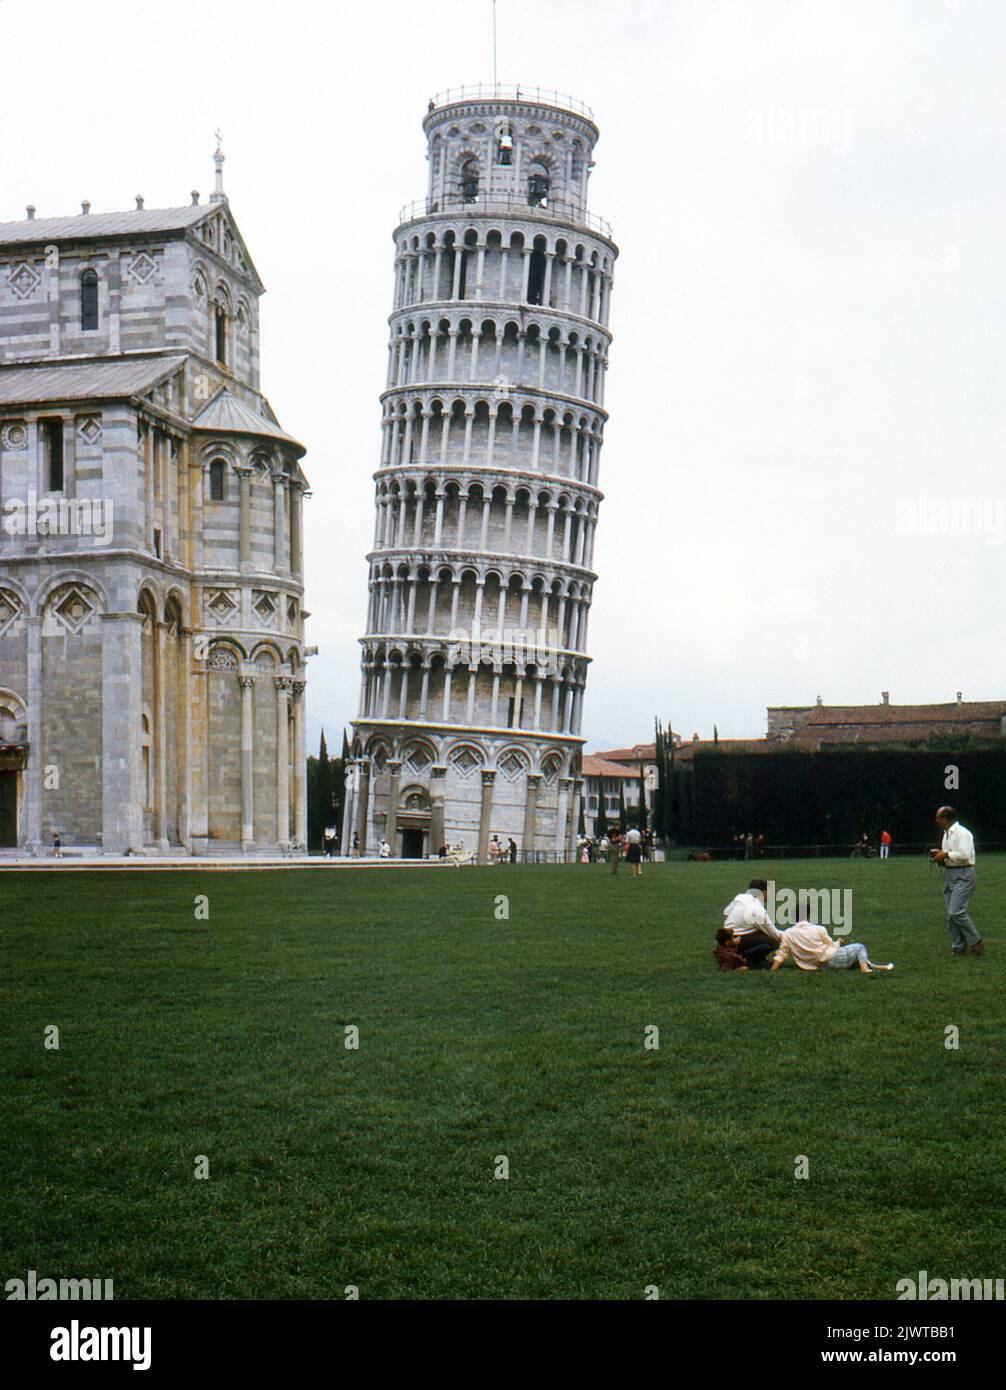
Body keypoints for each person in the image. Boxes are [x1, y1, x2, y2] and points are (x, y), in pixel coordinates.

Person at [931, 806, 983, 956]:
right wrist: (940, 857)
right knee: (950, 914)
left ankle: (976, 941)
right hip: (950, 874)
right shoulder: (946, 834)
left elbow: (965, 855)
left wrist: (945, 854)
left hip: (964, 874)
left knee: (956, 912)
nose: (936, 820)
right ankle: (958, 946)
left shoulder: (963, 833)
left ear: (946, 819)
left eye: (938, 817)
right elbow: (951, 856)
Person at [770, 921, 894, 974]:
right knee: (859, 947)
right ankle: (865, 968)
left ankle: (872, 965)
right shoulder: (818, 929)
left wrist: (773, 970)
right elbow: (831, 946)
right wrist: (839, 942)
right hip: (831, 959)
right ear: (808, 916)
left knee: (855, 959)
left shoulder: (787, 934)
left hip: (819, 966)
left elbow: (781, 954)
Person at [722, 878, 784, 969]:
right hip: (737, 940)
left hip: (726, 936)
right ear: (764, 892)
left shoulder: (740, 897)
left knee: (761, 934)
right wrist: (792, 936)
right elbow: (775, 934)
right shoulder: (757, 909)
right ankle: (745, 960)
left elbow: (726, 912)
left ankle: (753, 958)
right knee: (773, 941)